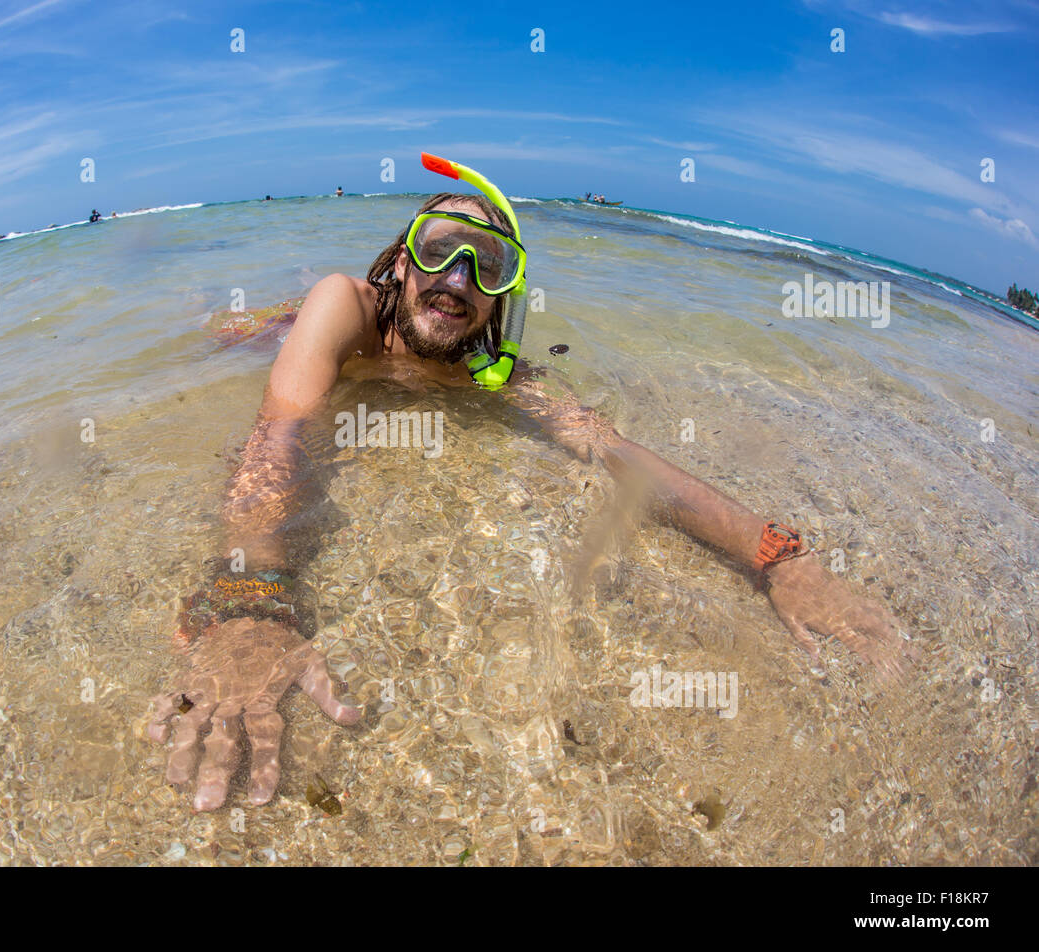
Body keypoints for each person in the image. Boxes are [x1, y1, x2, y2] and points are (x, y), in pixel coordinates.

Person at [149, 153, 914, 812]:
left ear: (503, 297)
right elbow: (279, 435)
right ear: (401, 262)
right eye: (441, 249)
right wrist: (252, 597)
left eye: (490, 264)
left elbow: (615, 452)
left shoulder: (498, 376)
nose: (459, 277)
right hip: (290, 336)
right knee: (235, 332)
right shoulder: (345, 304)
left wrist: (775, 554)